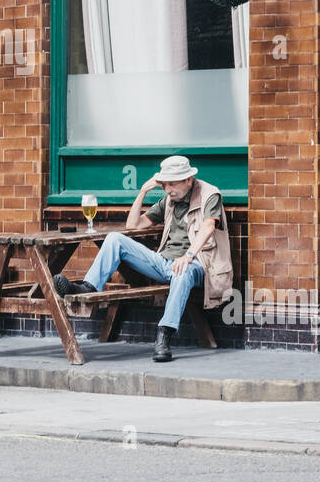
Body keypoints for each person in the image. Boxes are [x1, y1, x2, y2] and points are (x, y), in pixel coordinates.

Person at [52, 155, 232, 362]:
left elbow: (209, 226)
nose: (168, 189)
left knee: (183, 271)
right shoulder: (168, 201)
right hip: (164, 262)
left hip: (199, 263)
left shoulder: (210, 194)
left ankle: (164, 335)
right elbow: (133, 226)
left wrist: (188, 256)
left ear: (188, 180)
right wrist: (142, 192)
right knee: (115, 239)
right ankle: (88, 286)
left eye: (172, 184)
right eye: (164, 185)